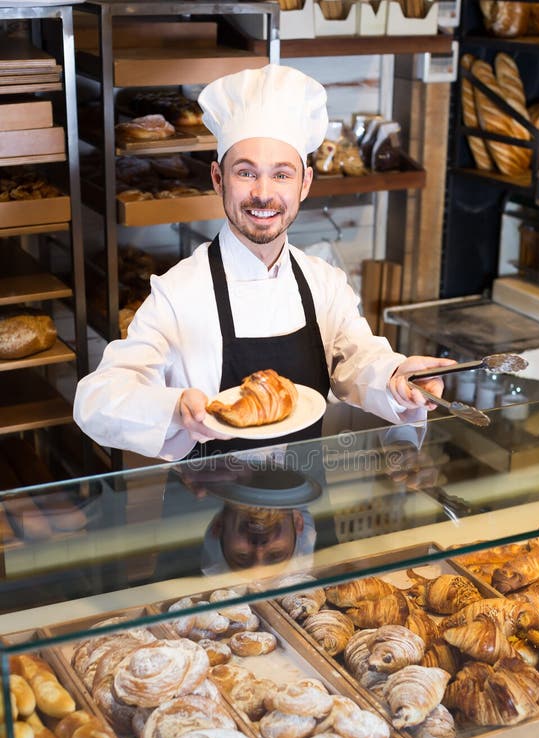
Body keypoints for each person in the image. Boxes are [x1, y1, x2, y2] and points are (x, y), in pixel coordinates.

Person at [74, 64, 454, 462]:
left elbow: (360, 362)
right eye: (246, 172)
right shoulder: (178, 293)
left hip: (304, 510)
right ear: (219, 179)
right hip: (206, 511)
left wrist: (398, 377)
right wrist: (173, 407)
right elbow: (95, 402)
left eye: (281, 175)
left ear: (304, 184)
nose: (262, 193)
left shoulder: (323, 283)